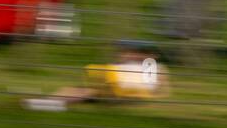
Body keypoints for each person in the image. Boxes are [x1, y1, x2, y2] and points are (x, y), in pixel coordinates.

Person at [23, 41, 171, 111]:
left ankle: (44, 105)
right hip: (113, 91)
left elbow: (152, 89)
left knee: (84, 93)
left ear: (146, 54)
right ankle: (48, 102)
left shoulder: (151, 66)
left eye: (130, 52)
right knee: (73, 90)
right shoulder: (129, 65)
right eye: (125, 52)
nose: (125, 55)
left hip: (127, 96)